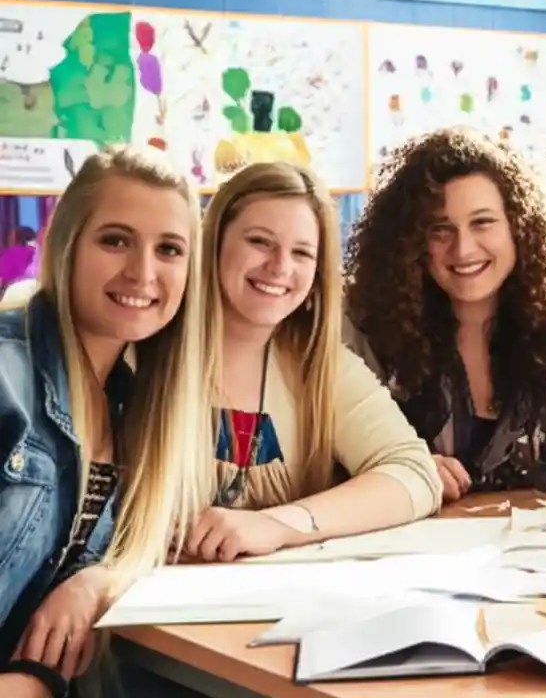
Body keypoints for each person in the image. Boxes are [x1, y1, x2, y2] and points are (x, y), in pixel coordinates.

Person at [0, 147, 208, 697]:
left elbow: (145, 545)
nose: (142, 272)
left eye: (169, 249)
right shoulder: (6, 375)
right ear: (66, 245)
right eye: (115, 240)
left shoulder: (140, 411)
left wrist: (99, 580)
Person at [181, 162, 442, 564]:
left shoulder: (320, 364)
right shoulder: (152, 349)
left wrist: (279, 524)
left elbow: (415, 473)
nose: (280, 267)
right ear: (214, 242)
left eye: (301, 252)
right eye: (260, 241)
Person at [344, 127, 546, 502]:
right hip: (412, 553)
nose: (463, 248)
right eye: (440, 229)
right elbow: (334, 458)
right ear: (410, 241)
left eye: (482, 222)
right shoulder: (366, 333)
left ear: (520, 227)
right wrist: (401, 469)